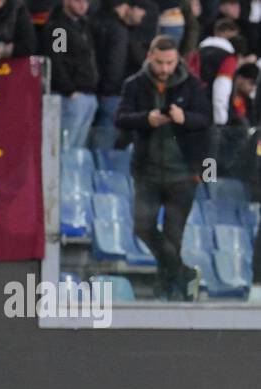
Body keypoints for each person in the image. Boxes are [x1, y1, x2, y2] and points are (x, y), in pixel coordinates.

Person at [117, 34, 211, 299]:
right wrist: (146, 119)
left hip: (183, 173)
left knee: (173, 237)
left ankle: (166, 289)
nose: (165, 69)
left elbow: (205, 120)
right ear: (150, 57)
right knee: (142, 227)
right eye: (160, 62)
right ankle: (182, 274)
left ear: (177, 60)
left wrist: (185, 118)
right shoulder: (134, 85)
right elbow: (121, 119)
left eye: (170, 63)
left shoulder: (191, 85)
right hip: (147, 172)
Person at [47, 0, 102, 149]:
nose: (83, 5)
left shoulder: (83, 26)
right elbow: (56, 60)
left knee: (77, 148)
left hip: (88, 93)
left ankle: (72, 173)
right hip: (71, 96)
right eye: (78, 1)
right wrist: (69, 90)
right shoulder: (60, 28)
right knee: (65, 146)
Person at [94, 0, 135, 126]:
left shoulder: (89, 22)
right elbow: (115, 62)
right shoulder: (118, 29)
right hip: (109, 93)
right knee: (105, 138)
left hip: (91, 89)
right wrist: (109, 89)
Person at [195, 18, 242, 123]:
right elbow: (221, 92)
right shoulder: (228, 58)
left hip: (194, 111)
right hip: (213, 115)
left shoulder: (197, 52)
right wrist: (221, 121)